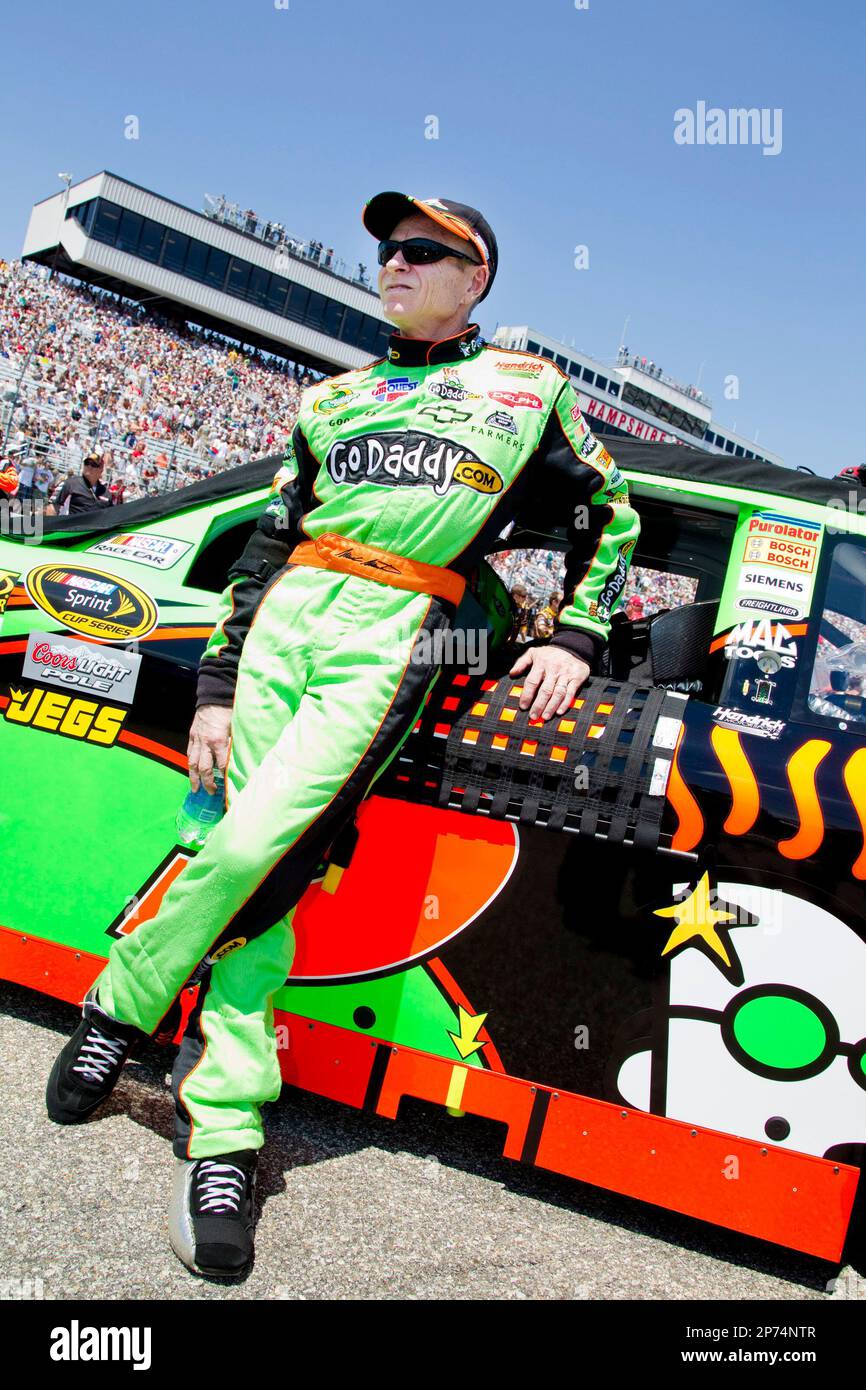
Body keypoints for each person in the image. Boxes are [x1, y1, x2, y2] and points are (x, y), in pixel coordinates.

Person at [46, 188, 641, 1281]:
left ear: (477, 280)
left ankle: (120, 998)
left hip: (402, 626)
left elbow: (613, 512)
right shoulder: (332, 398)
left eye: (425, 250)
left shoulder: (526, 386)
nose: (395, 263)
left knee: (250, 848)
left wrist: (580, 635)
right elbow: (269, 545)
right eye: (387, 249)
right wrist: (218, 685)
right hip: (284, 622)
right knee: (255, 869)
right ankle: (223, 1126)